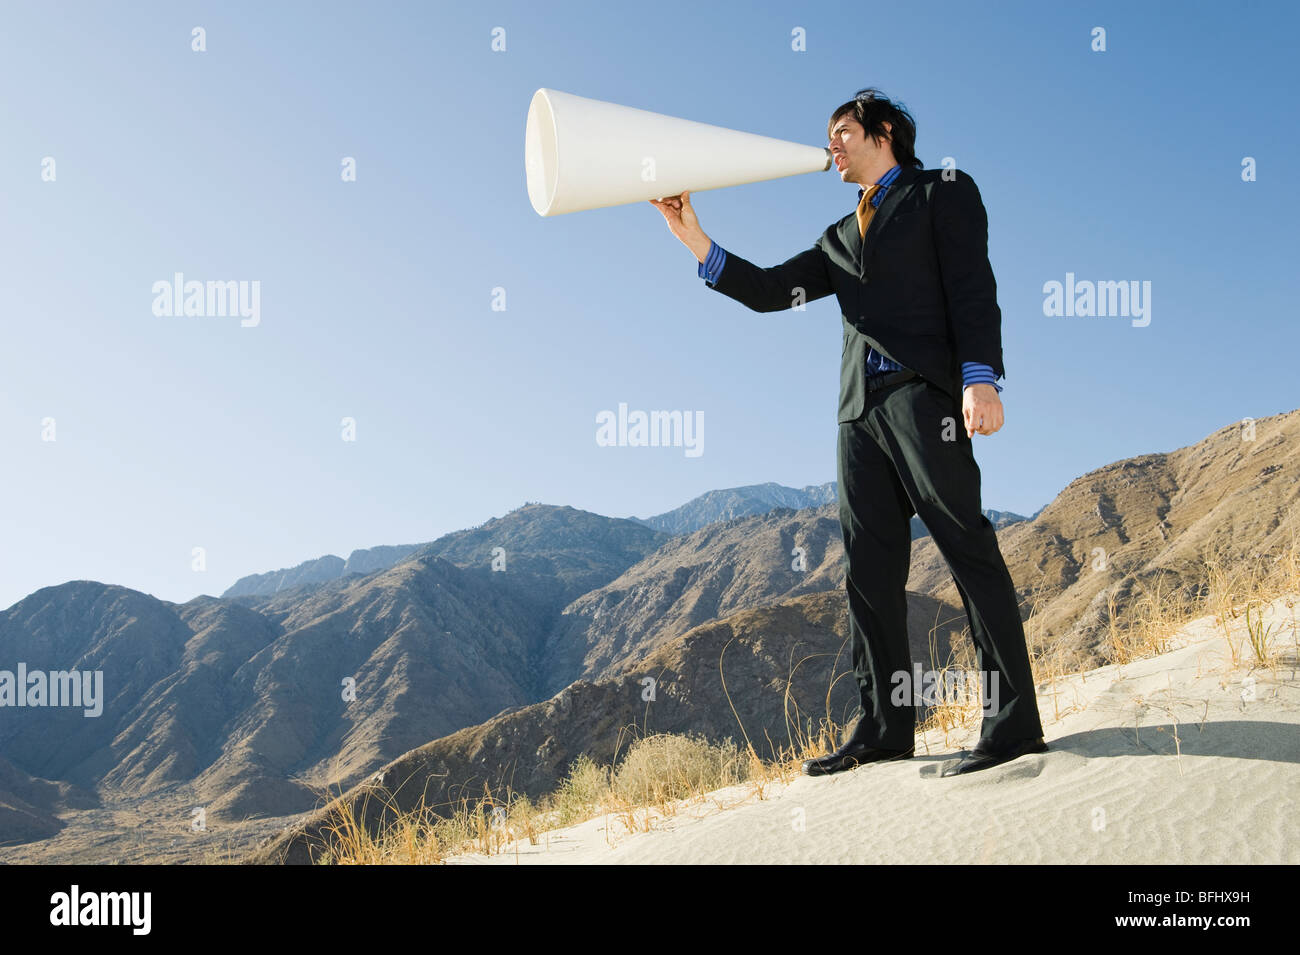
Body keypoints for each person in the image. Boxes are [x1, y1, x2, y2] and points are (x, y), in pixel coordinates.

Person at [649, 88, 1046, 777]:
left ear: (883, 132)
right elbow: (773, 290)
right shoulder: (837, 237)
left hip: (927, 399)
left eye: (841, 132)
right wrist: (693, 236)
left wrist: (981, 376)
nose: (830, 146)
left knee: (966, 546)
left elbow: (971, 284)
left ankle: (1012, 724)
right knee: (868, 573)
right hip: (858, 416)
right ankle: (886, 730)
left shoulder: (940, 192)